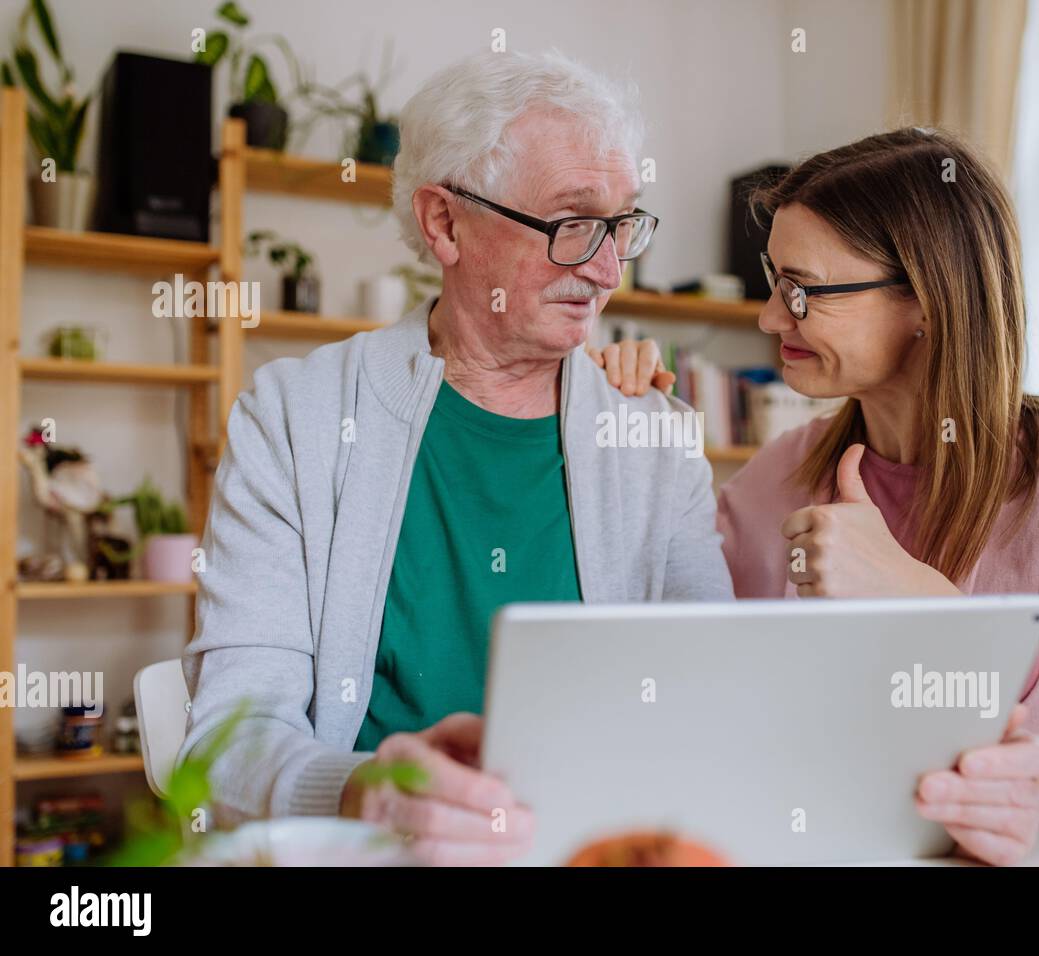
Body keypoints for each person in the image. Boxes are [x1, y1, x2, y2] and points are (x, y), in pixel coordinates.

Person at [179, 49, 731, 867]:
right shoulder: (294, 417)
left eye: (622, 225)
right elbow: (230, 737)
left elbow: (712, 704)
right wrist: (359, 789)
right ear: (444, 223)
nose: (610, 270)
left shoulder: (654, 439)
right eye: (574, 223)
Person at [598, 128, 1039, 864]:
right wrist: (616, 441)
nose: (772, 318)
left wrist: (934, 609)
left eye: (802, 290)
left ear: (928, 304)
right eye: (773, 281)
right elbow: (659, 652)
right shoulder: (786, 470)